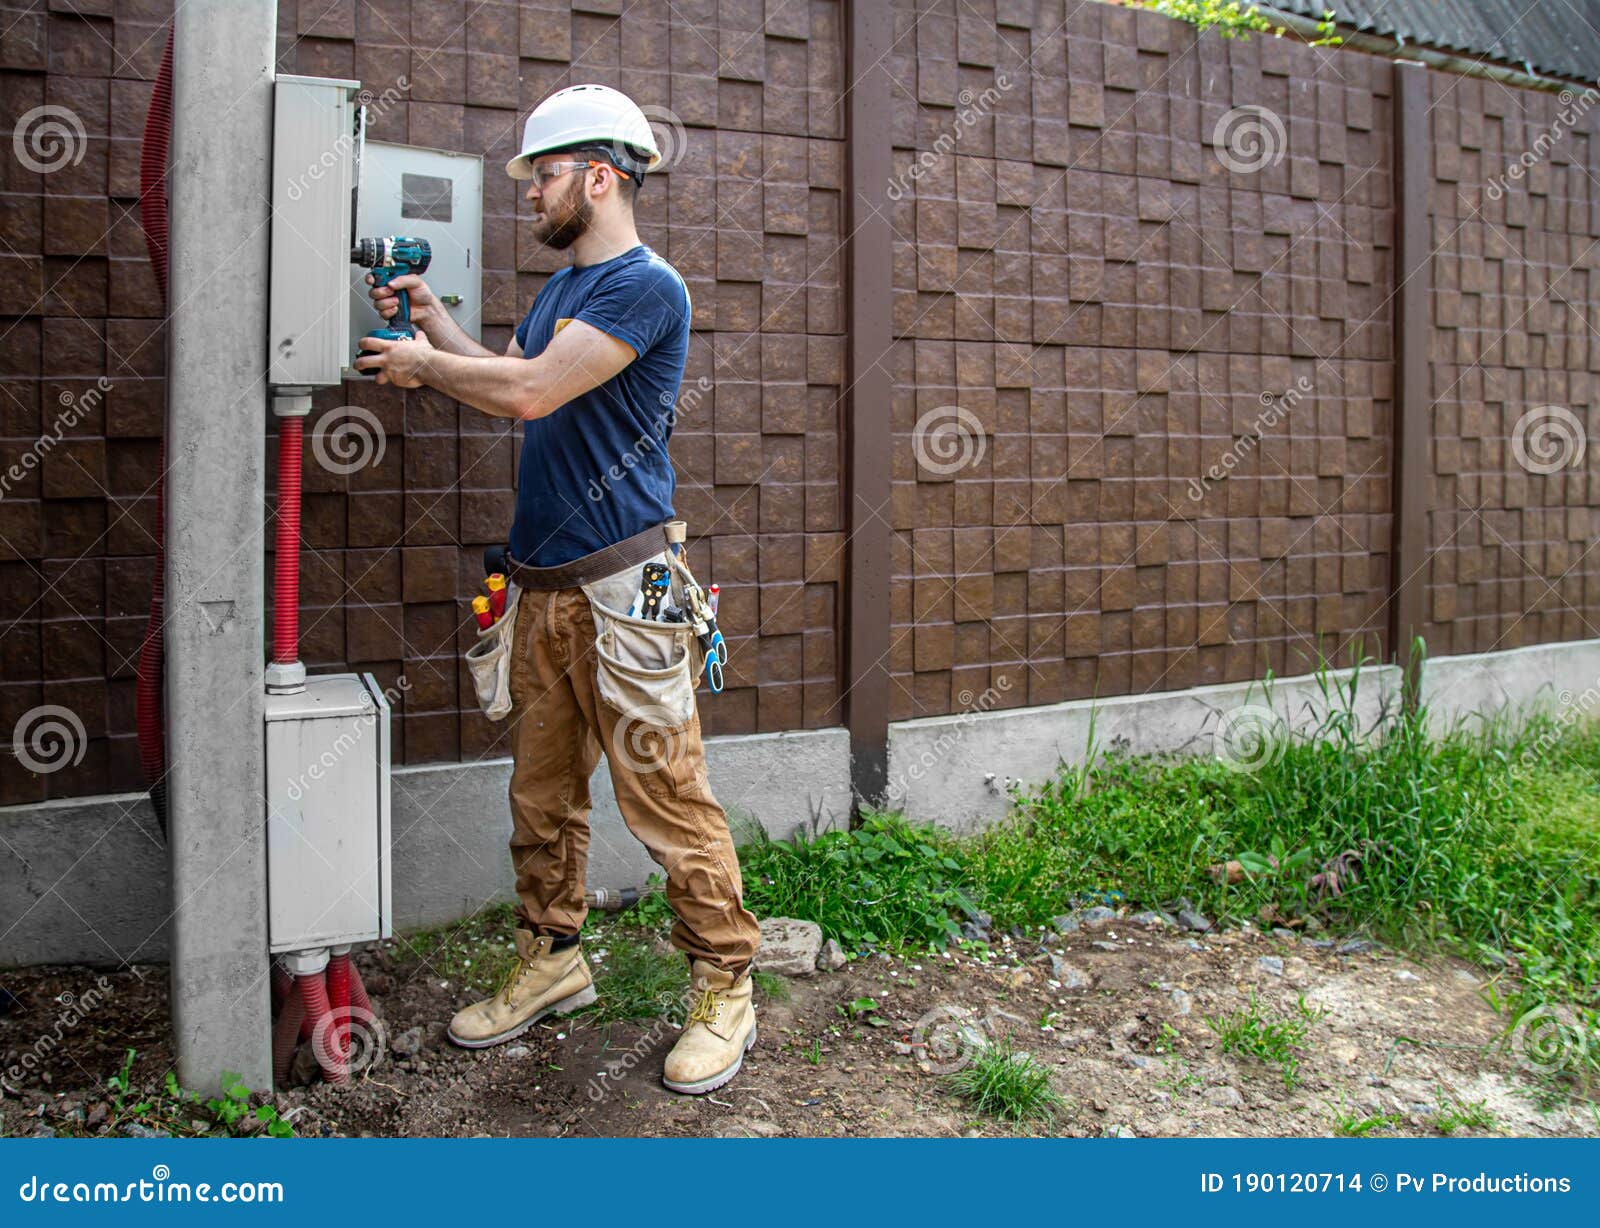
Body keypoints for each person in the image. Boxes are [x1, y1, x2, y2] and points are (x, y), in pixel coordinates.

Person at [356, 84, 761, 1095]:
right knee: (540, 799)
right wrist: (435, 322)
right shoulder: (560, 293)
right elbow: (510, 376)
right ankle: (553, 959)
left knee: (666, 798)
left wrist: (419, 364)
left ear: (600, 174)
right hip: (540, 588)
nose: (529, 195)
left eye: (541, 176)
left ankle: (725, 985)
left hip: (625, 592)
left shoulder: (643, 287)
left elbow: (531, 392)